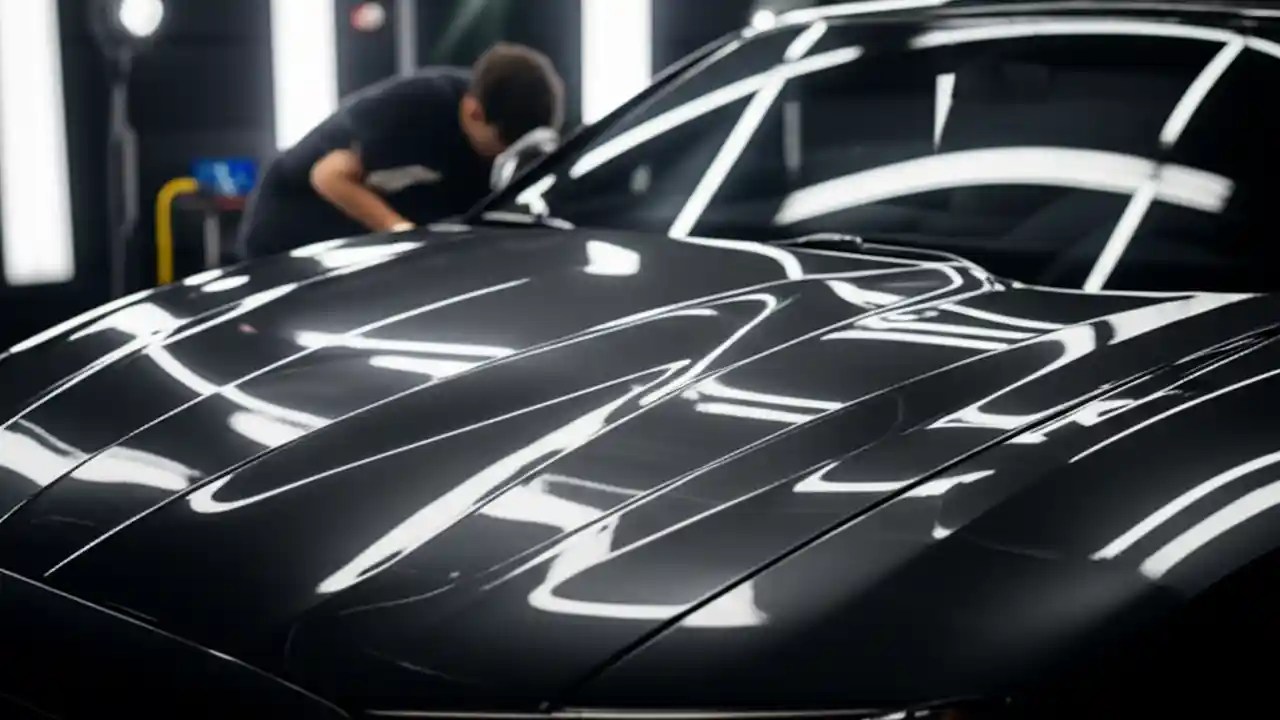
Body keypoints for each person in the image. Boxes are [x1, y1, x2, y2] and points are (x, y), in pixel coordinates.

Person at [235, 43, 565, 259]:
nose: (503, 158)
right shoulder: (415, 110)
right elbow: (328, 176)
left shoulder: (508, 122)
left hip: (361, 240)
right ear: (473, 112)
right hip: (292, 223)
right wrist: (402, 233)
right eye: (501, 146)